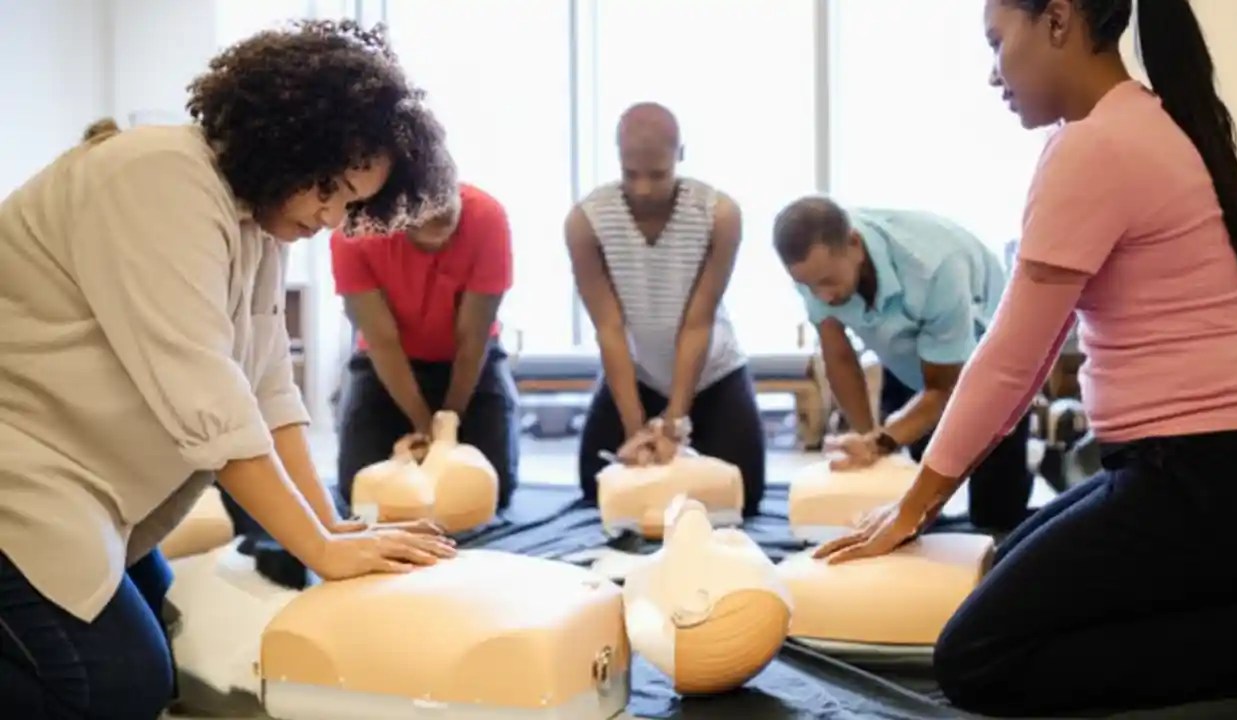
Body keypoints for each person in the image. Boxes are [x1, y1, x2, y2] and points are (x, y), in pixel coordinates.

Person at [813, 0, 1237, 715]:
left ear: (1058, 21)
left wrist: (912, 507)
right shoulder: (1145, 122)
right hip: (1209, 473)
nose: (994, 73)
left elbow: (1007, 359)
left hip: (1200, 478)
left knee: (976, 658)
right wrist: (923, 502)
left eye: (998, 43)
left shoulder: (1095, 145)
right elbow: (1027, 367)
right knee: (1000, 561)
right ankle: (1235, 598)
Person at [0, 20, 460, 717]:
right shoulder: (158, 175)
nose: (334, 216)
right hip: (23, 466)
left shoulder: (258, 224)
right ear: (286, 139)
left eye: (354, 204)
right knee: (117, 688)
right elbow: (206, 393)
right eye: (329, 186)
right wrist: (318, 547)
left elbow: (268, 388)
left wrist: (330, 528)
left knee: (157, 636)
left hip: (80, 481)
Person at [773, 198, 1030, 532]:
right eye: (809, 286)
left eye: (827, 282)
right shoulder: (814, 268)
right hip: (908, 356)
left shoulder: (935, 267)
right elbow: (838, 356)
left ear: (854, 244)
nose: (821, 296)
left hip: (989, 362)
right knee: (910, 497)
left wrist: (881, 440)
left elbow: (943, 388)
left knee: (995, 516)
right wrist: (868, 439)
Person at [567, 102, 767, 516]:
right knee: (595, 486)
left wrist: (675, 422)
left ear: (680, 155)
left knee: (747, 493)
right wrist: (636, 429)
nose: (642, 188)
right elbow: (608, 327)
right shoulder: (585, 221)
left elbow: (699, 321)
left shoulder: (720, 215)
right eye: (630, 173)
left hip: (712, 372)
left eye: (656, 175)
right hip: (635, 371)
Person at [331, 182, 520, 511]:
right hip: (388, 363)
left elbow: (472, 338)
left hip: (469, 360)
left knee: (495, 489)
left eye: (448, 225)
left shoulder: (487, 217)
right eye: (426, 231)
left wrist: (445, 431)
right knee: (357, 489)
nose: (441, 240)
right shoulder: (354, 231)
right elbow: (383, 342)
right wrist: (422, 425)